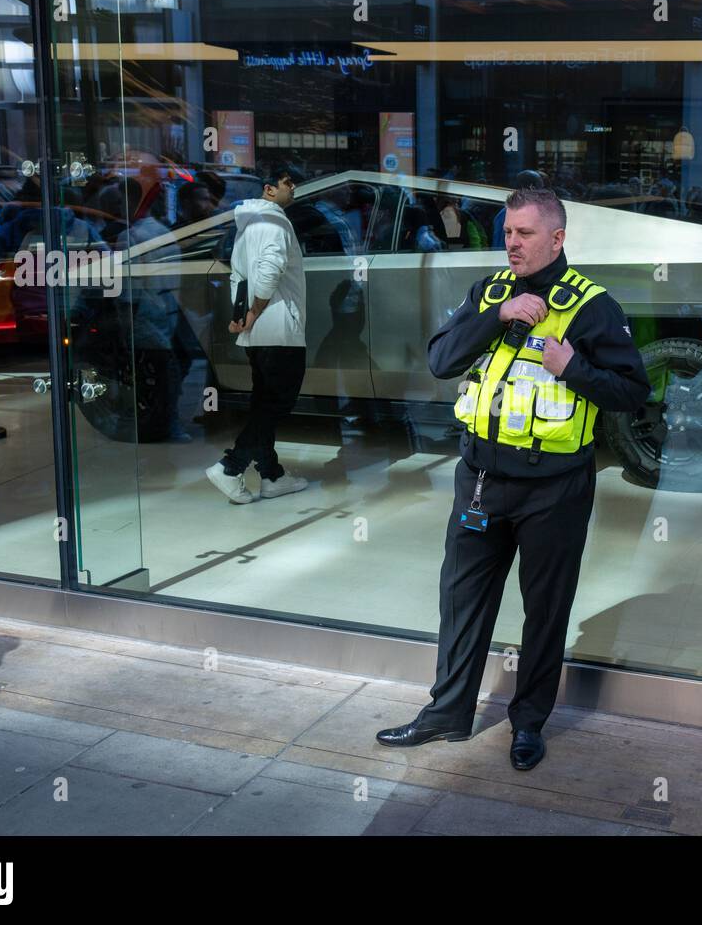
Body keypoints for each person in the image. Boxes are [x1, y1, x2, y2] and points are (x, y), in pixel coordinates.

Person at [375, 186, 650, 771]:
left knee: (545, 610)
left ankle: (528, 724)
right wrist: (496, 316)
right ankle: (447, 714)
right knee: (462, 599)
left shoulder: (592, 306)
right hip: (478, 478)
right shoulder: (490, 292)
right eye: (507, 233)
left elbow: (632, 393)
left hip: (553, 487)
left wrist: (572, 367)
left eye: (525, 234)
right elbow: (442, 360)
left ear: (557, 238)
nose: (512, 244)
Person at [205, 167, 310, 503]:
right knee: (277, 403)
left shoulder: (249, 223)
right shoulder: (274, 221)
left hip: (259, 331)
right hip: (277, 327)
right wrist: (252, 314)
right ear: (269, 189)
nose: (293, 188)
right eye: (287, 182)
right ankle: (230, 467)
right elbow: (268, 270)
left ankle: (271, 474)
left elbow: (239, 275)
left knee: (264, 403)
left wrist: (243, 318)